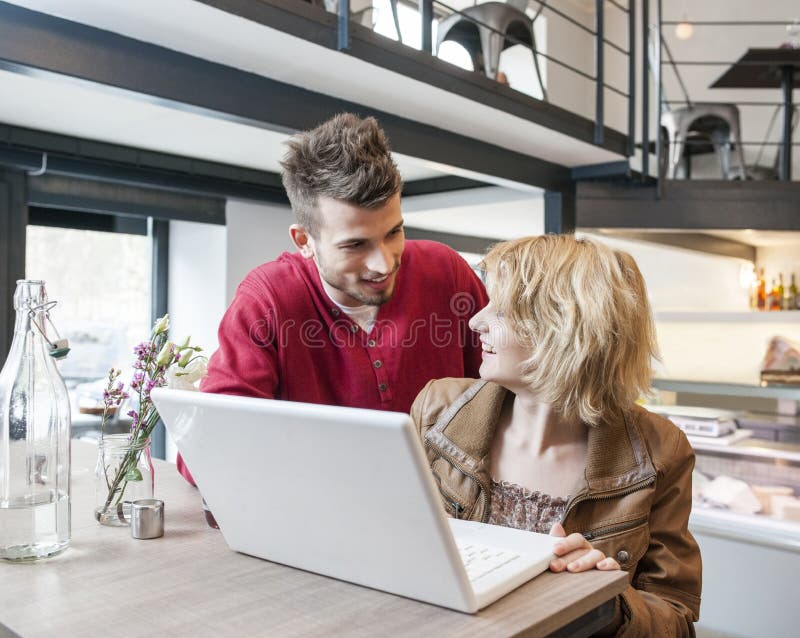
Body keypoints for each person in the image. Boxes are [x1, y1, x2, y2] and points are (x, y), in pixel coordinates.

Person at [411, 235, 701, 636]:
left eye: (502, 311)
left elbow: (676, 620)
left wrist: (610, 601)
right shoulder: (436, 410)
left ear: (564, 328)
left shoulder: (660, 450)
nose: (476, 321)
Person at [179, 113, 488, 483]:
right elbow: (206, 455)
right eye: (355, 245)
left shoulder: (447, 272)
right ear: (304, 241)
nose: (383, 263)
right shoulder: (267, 300)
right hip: (320, 514)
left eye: (394, 232)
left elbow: (507, 402)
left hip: (454, 511)